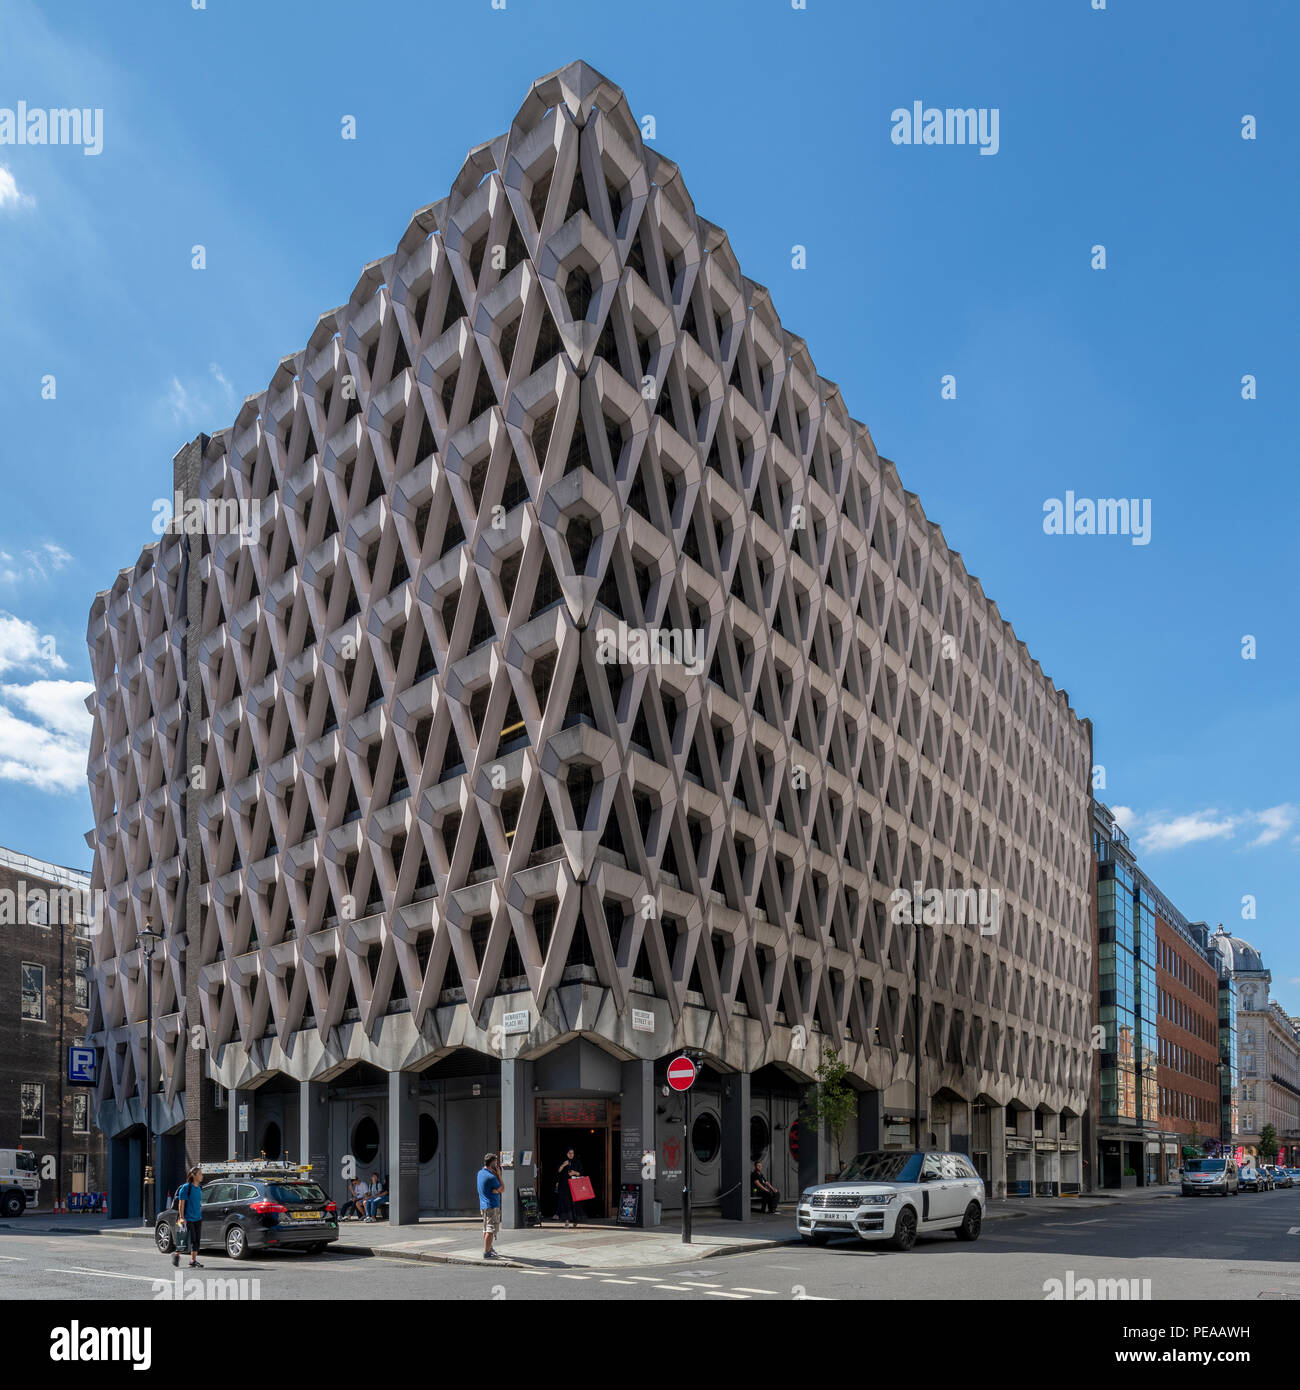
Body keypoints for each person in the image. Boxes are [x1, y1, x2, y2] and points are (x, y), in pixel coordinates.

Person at [172, 1167, 205, 1269]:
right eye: (200, 1174)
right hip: (188, 1218)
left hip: (197, 1218)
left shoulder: (199, 1187)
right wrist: (182, 1217)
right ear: (194, 1175)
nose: (202, 1176)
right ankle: (176, 1254)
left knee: (196, 1241)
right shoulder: (186, 1188)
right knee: (186, 1239)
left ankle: (193, 1261)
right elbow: (181, 1204)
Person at [477, 1153, 503, 1259]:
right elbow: (503, 1188)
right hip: (492, 1206)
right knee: (490, 1230)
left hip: (484, 1206)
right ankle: (487, 1252)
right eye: (496, 1163)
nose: (497, 1165)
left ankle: (489, 1248)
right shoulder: (491, 1176)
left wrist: (496, 1190)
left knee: (486, 1229)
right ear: (492, 1163)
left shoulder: (480, 1173)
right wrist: (499, 1175)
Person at [555, 1147, 584, 1227]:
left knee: (574, 1203)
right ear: (566, 1154)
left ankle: (575, 1220)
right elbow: (558, 1171)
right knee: (565, 1203)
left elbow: (581, 1173)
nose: (571, 1155)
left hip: (575, 1186)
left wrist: (574, 1172)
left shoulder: (577, 1162)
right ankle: (567, 1221)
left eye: (572, 1153)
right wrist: (564, 1165)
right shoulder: (562, 1161)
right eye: (569, 1153)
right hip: (564, 1186)